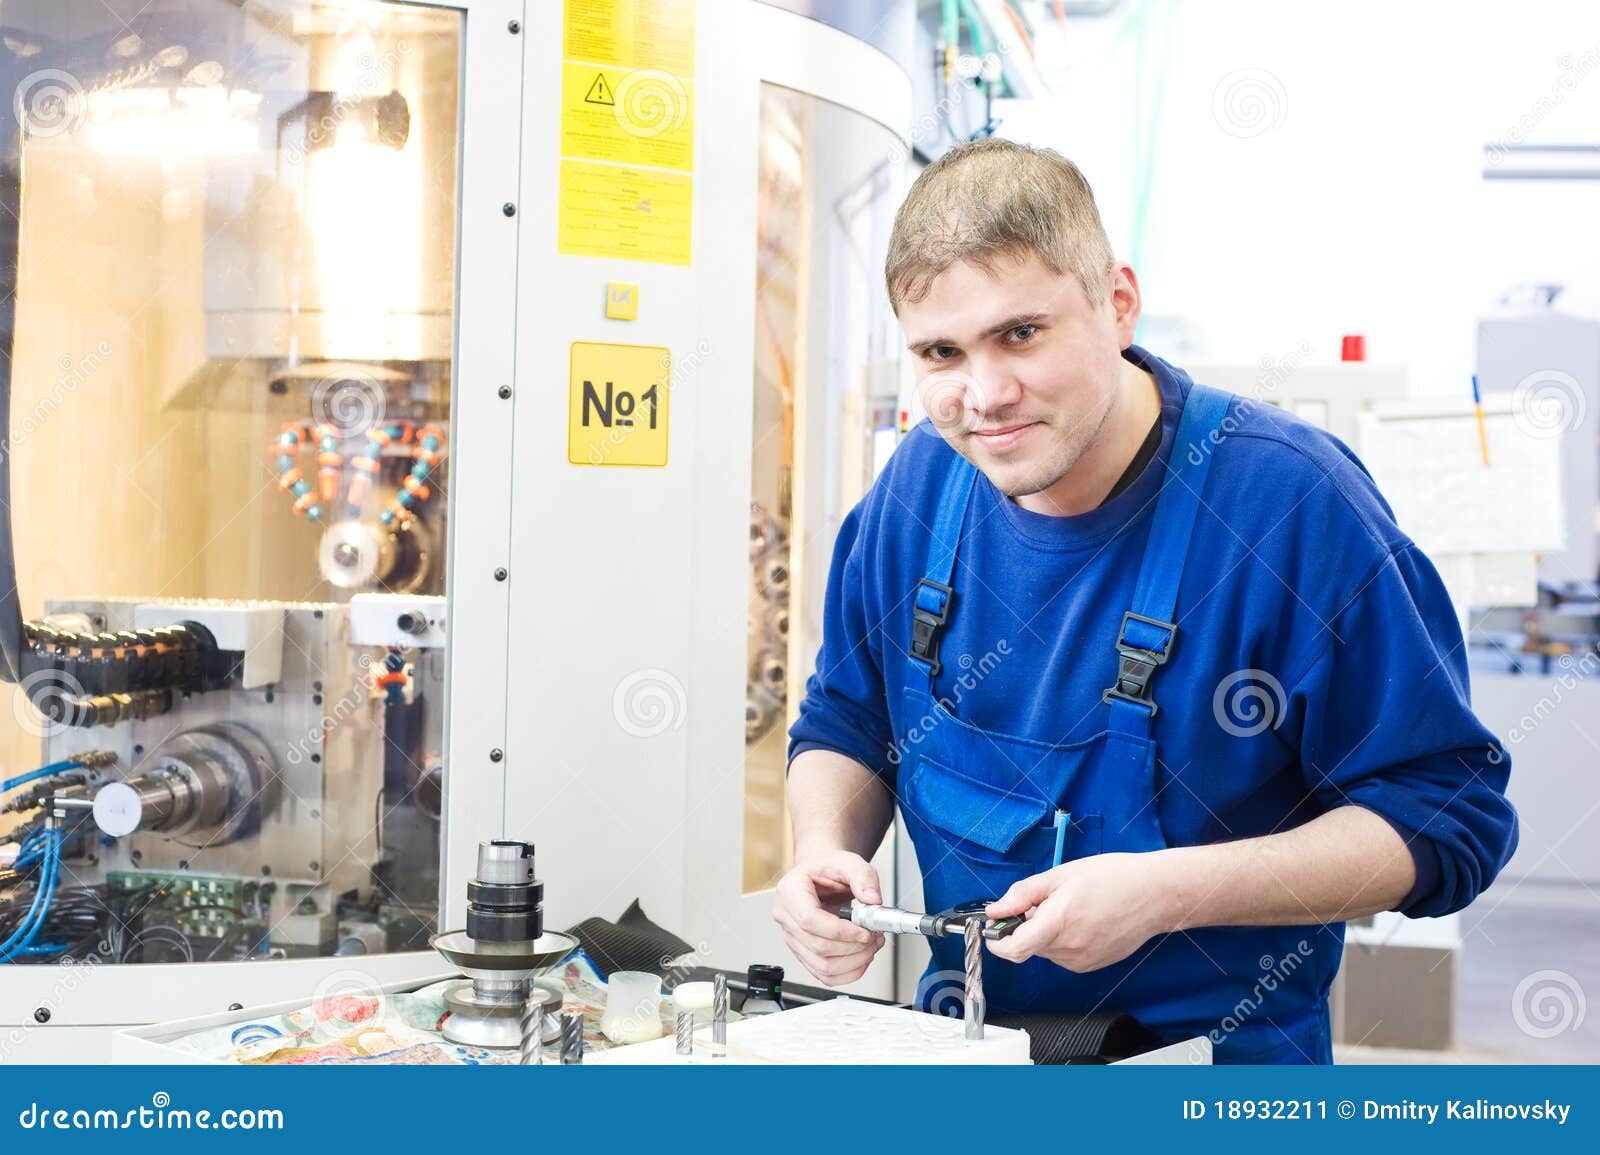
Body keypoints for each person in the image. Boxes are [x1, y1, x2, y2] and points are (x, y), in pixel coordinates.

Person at [773, 138, 1518, 1064]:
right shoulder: (917, 487)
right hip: (969, 1053)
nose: (985, 395)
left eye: (1021, 333)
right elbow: (848, 721)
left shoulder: (1291, 506)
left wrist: (1169, 892)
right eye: (941, 351)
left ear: (1118, 303)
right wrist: (821, 846)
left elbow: (1444, 817)